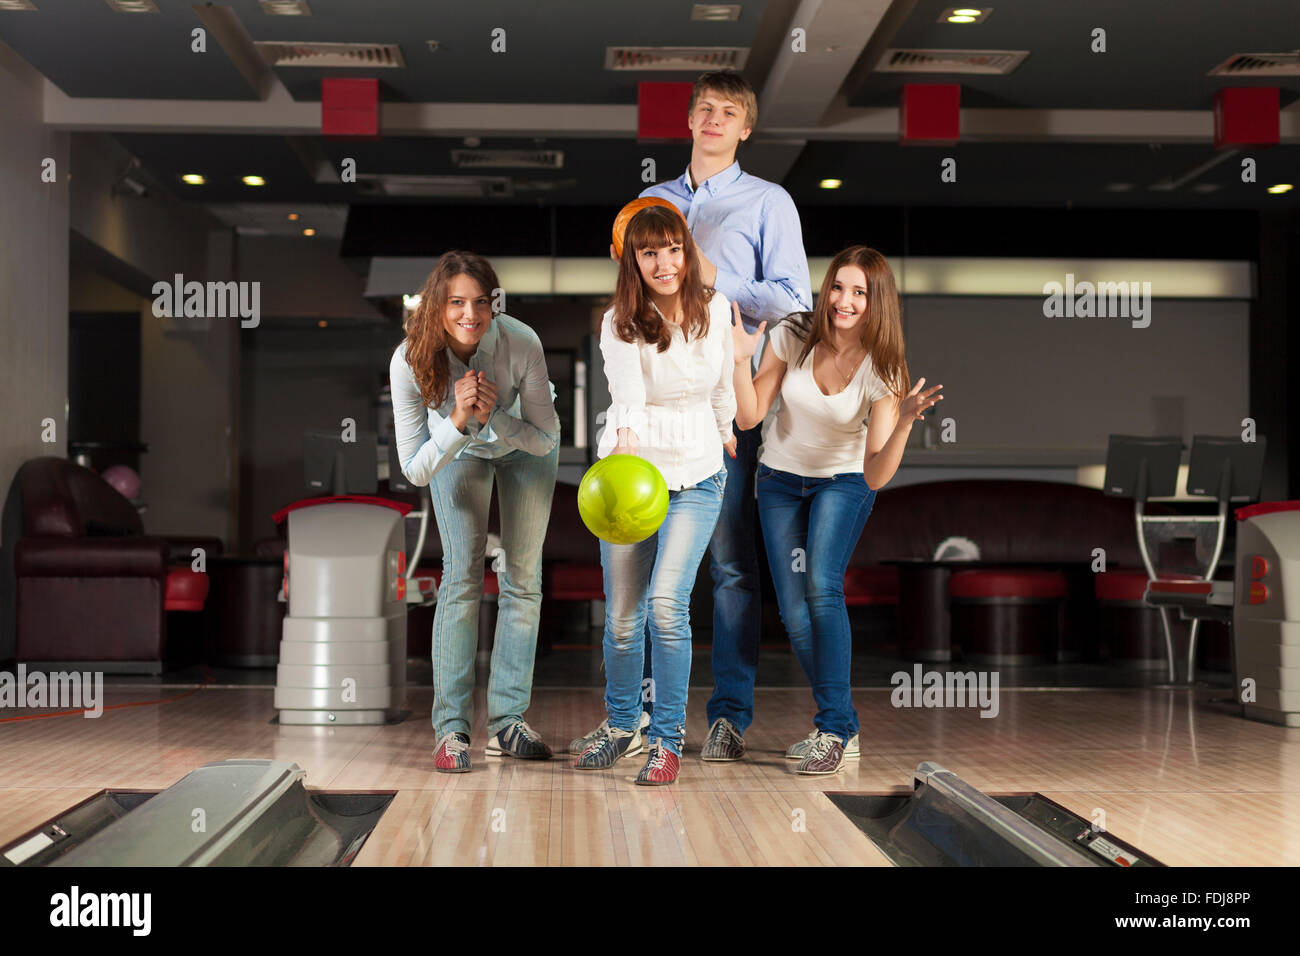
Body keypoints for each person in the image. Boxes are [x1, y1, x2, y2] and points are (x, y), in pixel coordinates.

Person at [569, 69, 811, 761]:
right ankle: (636, 721)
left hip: (726, 405)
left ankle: (727, 716)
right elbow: (630, 300)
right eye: (704, 109)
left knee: (730, 568)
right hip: (645, 420)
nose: (713, 120)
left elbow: (793, 295)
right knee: (638, 600)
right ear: (690, 120)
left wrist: (708, 281)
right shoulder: (651, 202)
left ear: (745, 128)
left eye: (728, 112)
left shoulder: (770, 202)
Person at [731, 246, 944, 774]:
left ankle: (831, 729)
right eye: (838, 287)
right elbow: (751, 414)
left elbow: (875, 473)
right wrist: (739, 360)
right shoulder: (794, 334)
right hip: (779, 480)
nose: (844, 300)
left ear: (876, 304)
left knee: (822, 587)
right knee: (794, 615)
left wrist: (906, 423)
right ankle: (843, 726)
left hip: (844, 482)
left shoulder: (884, 368)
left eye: (859, 292)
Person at [572, 204, 736, 785]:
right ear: (633, 262)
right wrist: (624, 443)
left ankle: (666, 740)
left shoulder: (716, 309)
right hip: (632, 473)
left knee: (667, 606)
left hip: (697, 475)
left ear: (687, 251)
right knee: (621, 618)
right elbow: (629, 395)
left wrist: (726, 429)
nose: (664, 263)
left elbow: (721, 382)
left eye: (672, 248)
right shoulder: (619, 320)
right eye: (649, 253)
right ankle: (622, 725)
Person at [389, 250, 560, 773]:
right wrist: (460, 418)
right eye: (456, 302)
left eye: (480, 302)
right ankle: (452, 731)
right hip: (457, 448)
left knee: (522, 579)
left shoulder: (520, 342)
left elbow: (546, 435)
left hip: (524, 448)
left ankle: (509, 721)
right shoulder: (409, 360)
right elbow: (415, 469)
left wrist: (494, 420)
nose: (470, 314)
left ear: (494, 305)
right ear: (437, 306)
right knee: (461, 577)